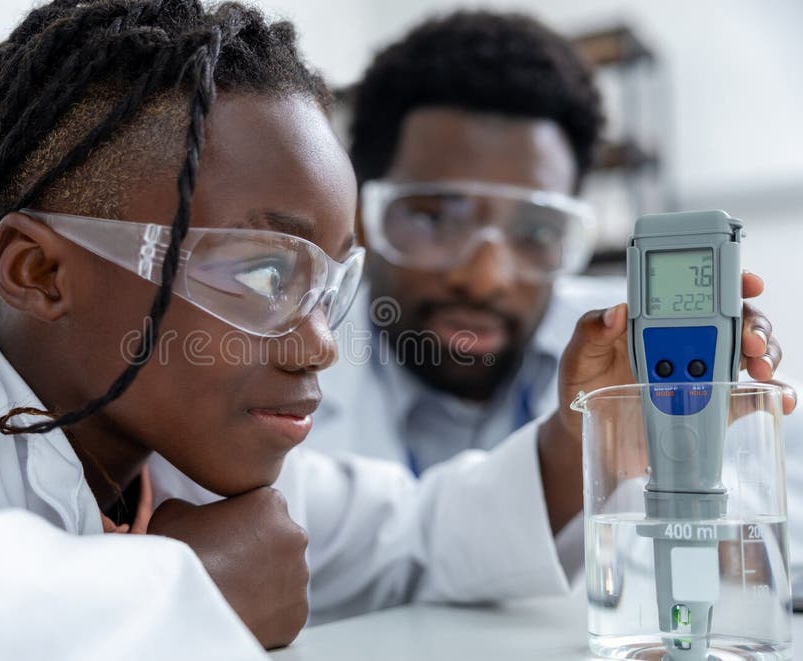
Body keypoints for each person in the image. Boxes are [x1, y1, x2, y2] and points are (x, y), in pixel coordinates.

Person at [0, 4, 789, 660]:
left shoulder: (181, 452)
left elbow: (421, 535)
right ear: (38, 271)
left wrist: (578, 435)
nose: (318, 342)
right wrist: (190, 587)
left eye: (334, 282)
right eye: (263, 271)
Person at [306, 10, 801, 573]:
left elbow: (778, 530)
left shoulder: (637, 349)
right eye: (433, 217)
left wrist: (699, 451)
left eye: (537, 231)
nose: (486, 276)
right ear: (363, 216)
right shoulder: (282, 356)